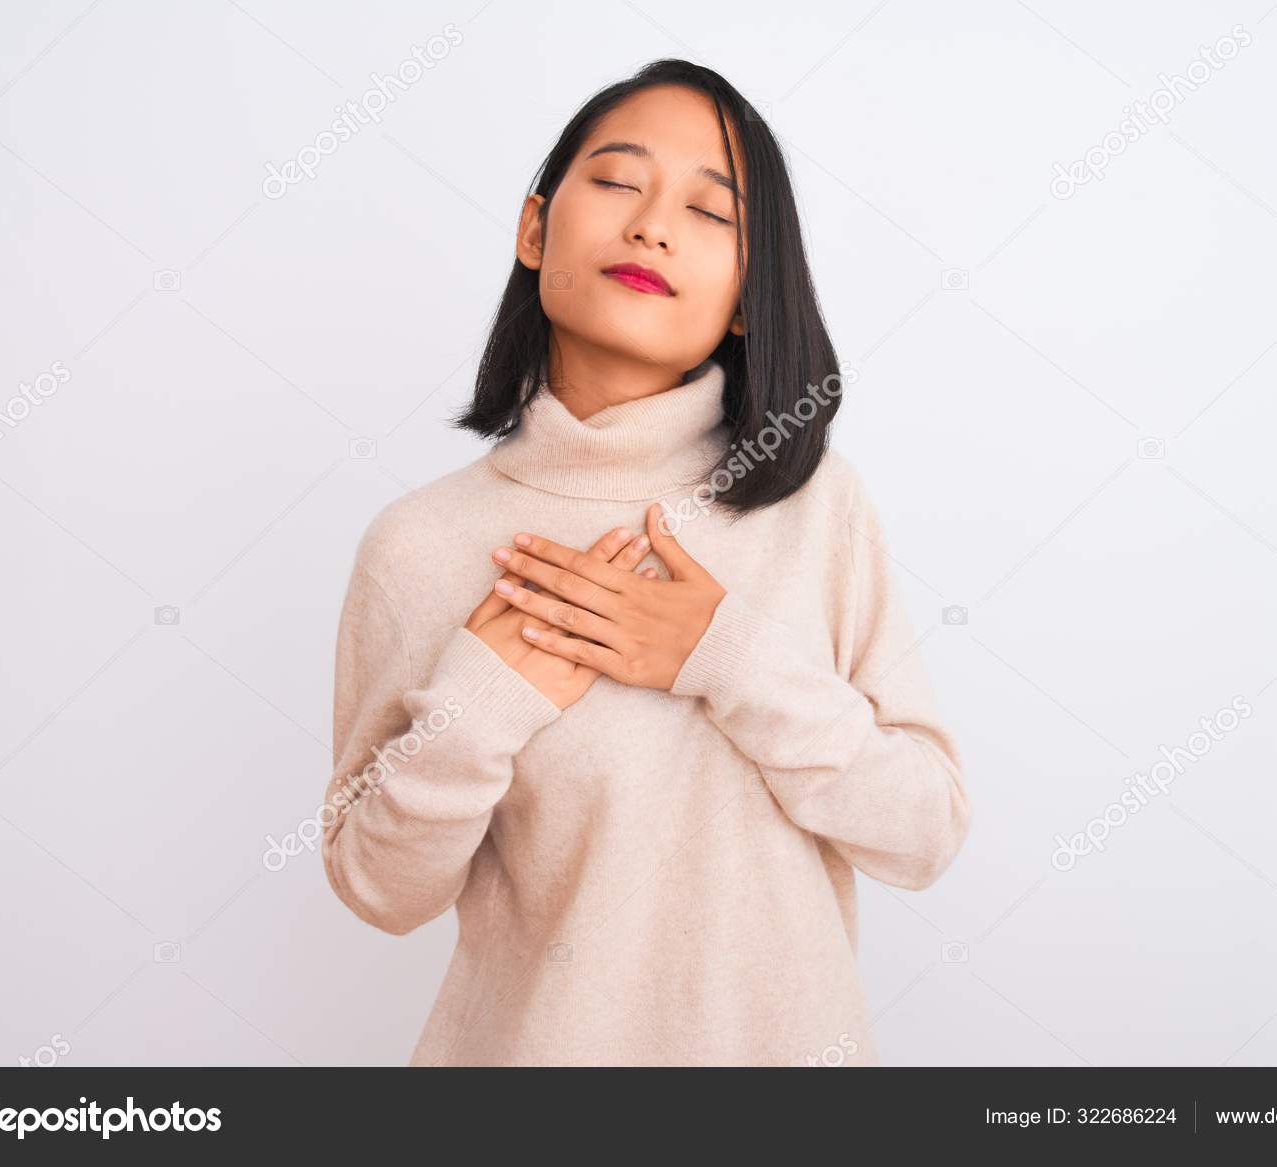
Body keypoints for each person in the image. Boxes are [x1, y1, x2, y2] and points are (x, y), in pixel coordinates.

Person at [321, 58, 970, 1066]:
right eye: (618, 182)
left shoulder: (814, 506)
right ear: (536, 230)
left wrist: (726, 656)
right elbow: (377, 888)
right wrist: (476, 707)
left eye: (712, 214)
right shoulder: (420, 545)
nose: (652, 226)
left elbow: (921, 833)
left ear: (749, 298)